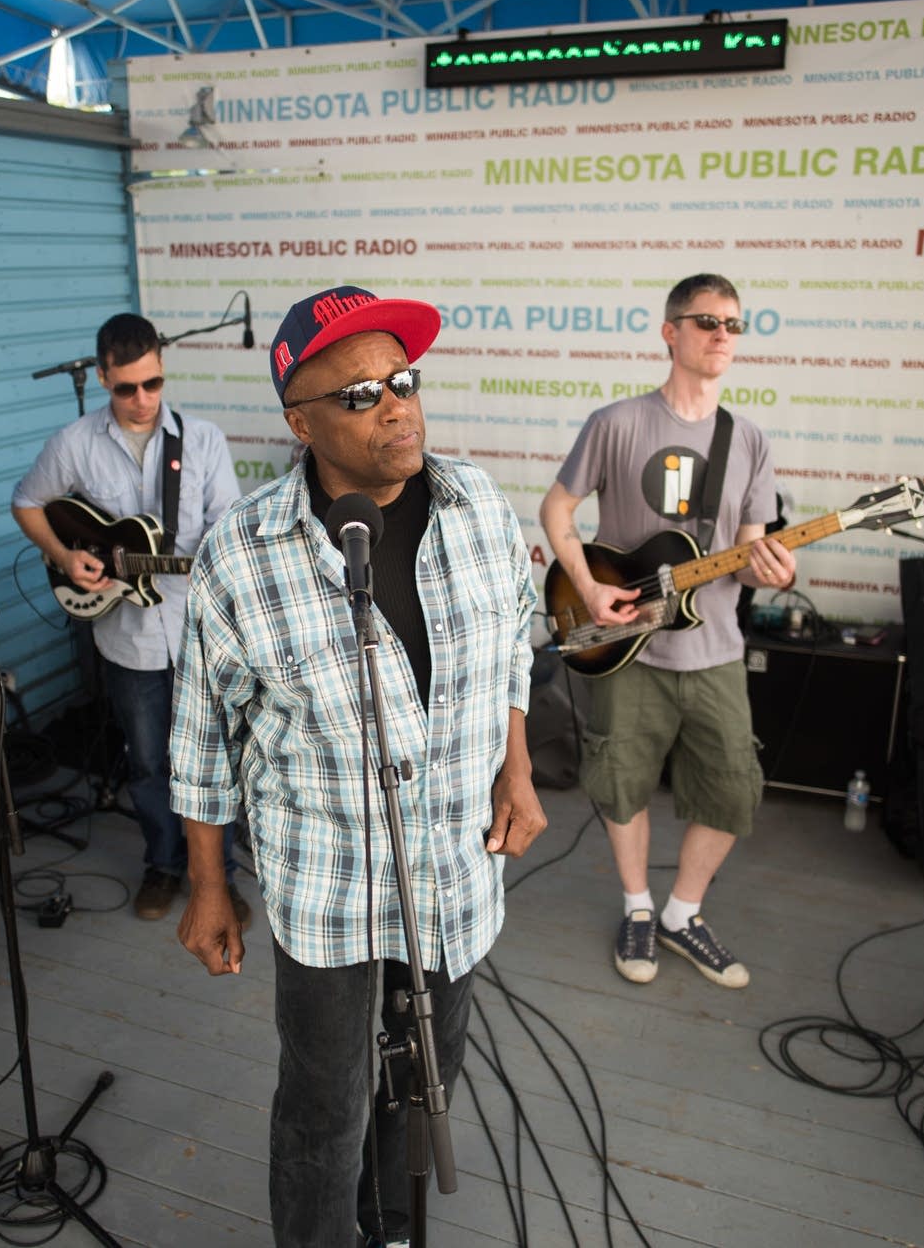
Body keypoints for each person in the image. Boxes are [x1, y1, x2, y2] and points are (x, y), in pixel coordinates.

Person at [170, 285, 547, 1247]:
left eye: (405, 381)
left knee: (426, 1081)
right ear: (300, 421)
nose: (398, 407)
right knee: (323, 1107)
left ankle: (392, 1227)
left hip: (455, 873)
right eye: (363, 394)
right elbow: (202, 740)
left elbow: (512, 644)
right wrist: (210, 888)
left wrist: (519, 770)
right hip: (326, 887)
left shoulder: (480, 509)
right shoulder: (241, 553)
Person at [538, 273, 796, 991]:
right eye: (707, 321)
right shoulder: (616, 423)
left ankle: (684, 912)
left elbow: (745, 560)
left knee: (732, 789)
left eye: (734, 324)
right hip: (628, 650)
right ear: (670, 332)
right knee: (620, 782)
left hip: (714, 651)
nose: (722, 335)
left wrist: (771, 570)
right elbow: (556, 510)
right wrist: (588, 585)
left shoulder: (749, 440)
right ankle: (638, 907)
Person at [10, 313, 245, 923]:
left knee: (215, 759)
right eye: (125, 388)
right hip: (126, 638)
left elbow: (225, 523)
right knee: (147, 764)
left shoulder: (203, 440)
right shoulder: (73, 443)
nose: (142, 400)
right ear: (103, 377)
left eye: (152, 384)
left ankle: (220, 878)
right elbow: (27, 502)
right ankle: (163, 866)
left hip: (200, 635)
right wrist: (66, 556)